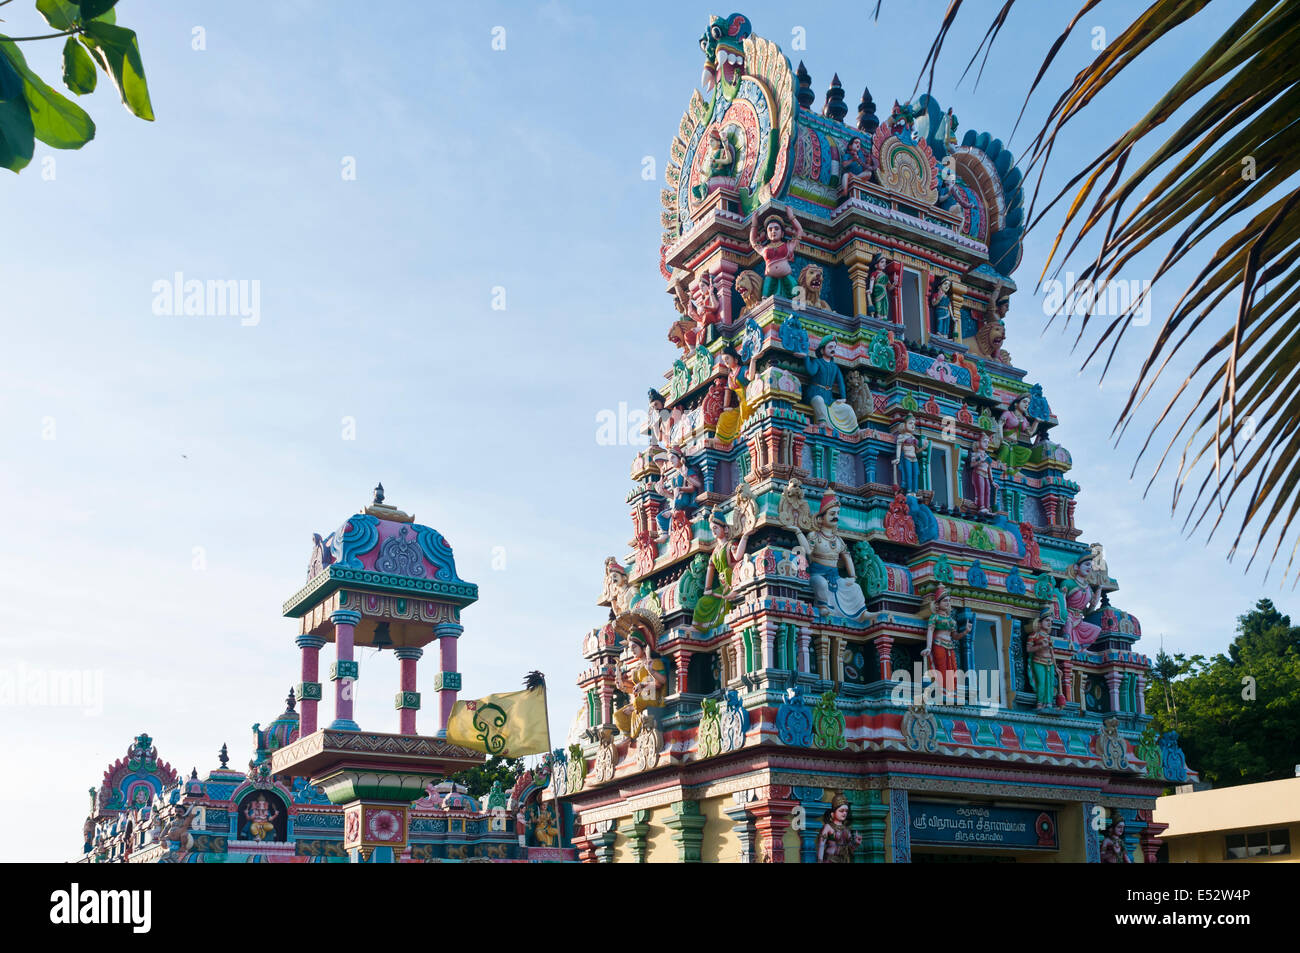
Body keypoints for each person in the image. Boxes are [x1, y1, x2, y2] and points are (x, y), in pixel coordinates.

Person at [791, 493, 871, 622]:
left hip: (836, 577)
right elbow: (808, 550)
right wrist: (798, 532)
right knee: (821, 584)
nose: (836, 517)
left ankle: (862, 613)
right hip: (818, 575)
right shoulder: (814, 536)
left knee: (855, 588)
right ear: (820, 518)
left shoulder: (838, 540)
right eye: (832, 514)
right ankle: (823, 606)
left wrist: (852, 577)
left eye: (837, 514)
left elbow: (847, 557)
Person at [692, 509, 752, 631]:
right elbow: (710, 569)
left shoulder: (730, 545)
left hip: (730, 581)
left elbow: (737, 557)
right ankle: (698, 627)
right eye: (711, 529)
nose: (713, 531)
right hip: (720, 586)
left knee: (726, 593)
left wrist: (745, 537)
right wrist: (708, 588)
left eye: (716, 528)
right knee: (702, 602)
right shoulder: (715, 551)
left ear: (725, 529)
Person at [922, 584, 967, 702]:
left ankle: (952, 692)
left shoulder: (951, 621)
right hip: (938, 645)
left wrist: (965, 631)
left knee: (952, 669)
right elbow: (930, 631)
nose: (947, 603)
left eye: (949, 601)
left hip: (950, 646)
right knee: (941, 668)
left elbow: (955, 636)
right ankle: (942, 691)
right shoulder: (935, 618)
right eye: (945, 601)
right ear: (937, 604)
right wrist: (928, 647)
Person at [748, 207, 805, 299]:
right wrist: (754, 224)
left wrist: (791, 217)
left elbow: (799, 231)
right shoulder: (764, 249)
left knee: (797, 297)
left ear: (782, 233)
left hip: (786, 277)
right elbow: (753, 241)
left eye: (776, 229)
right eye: (770, 229)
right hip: (770, 278)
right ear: (767, 236)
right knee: (765, 299)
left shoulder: (788, 246)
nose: (773, 231)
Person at [801, 335, 846, 429]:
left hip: (829, 397)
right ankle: (822, 422)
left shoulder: (835, 367)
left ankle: (852, 429)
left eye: (834, 347)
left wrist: (843, 398)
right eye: (830, 347)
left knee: (846, 408)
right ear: (822, 350)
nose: (833, 349)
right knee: (819, 400)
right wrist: (806, 357)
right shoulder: (818, 362)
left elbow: (841, 382)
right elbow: (811, 371)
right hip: (815, 393)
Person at [817, 793, 862, 863]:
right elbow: (821, 845)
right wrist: (819, 861)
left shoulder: (846, 830)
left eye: (846, 811)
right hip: (830, 860)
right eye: (841, 811)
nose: (844, 813)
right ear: (833, 813)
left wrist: (856, 843)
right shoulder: (828, 827)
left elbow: (850, 849)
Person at [894, 414, 921, 492]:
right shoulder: (901, 436)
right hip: (907, 457)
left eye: (914, 424)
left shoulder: (913, 438)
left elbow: (917, 450)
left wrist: (924, 447)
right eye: (910, 423)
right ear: (904, 424)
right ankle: (909, 491)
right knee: (908, 474)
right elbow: (899, 447)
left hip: (914, 458)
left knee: (915, 474)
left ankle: (914, 492)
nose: (913, 425)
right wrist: (898, 458)